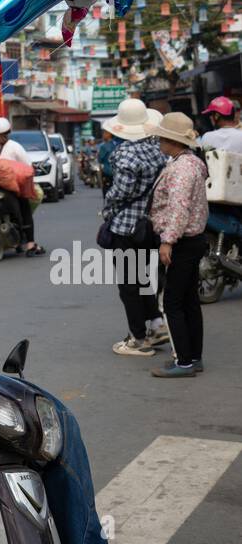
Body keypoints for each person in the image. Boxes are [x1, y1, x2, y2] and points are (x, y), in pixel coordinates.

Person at [101, 99, 167, 358]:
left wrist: (108, 205)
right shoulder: (156, 149)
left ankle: (138, 338)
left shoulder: (125, 153)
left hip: (127, 226)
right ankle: (157, 324)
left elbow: (122, 191)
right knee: (143, 278)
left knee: (128, 284)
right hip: (150, 225)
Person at [149, 113, 209, 379]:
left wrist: (167, 241)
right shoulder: (191, 162)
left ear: (170, 140)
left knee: (171, 302)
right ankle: (193, 357)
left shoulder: (181, 169)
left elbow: (178, 208)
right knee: (188, 301)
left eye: (162, 136)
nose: (159, 140)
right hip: (193, 239)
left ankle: (183, 361)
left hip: (182, 241)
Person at [0, 116, 43, 256]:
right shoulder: (15, 147)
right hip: (8, 190)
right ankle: (30, 244)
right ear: (8, 132)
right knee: (25, 207)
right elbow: (28, 167)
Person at [97, 128, 117, 196]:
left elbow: (100, 159)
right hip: (118, 172)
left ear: (109, 134)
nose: (103, 135)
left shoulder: (104, 147)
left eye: (104, 133)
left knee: (107, 193)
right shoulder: (117, 145)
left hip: (107, 172)